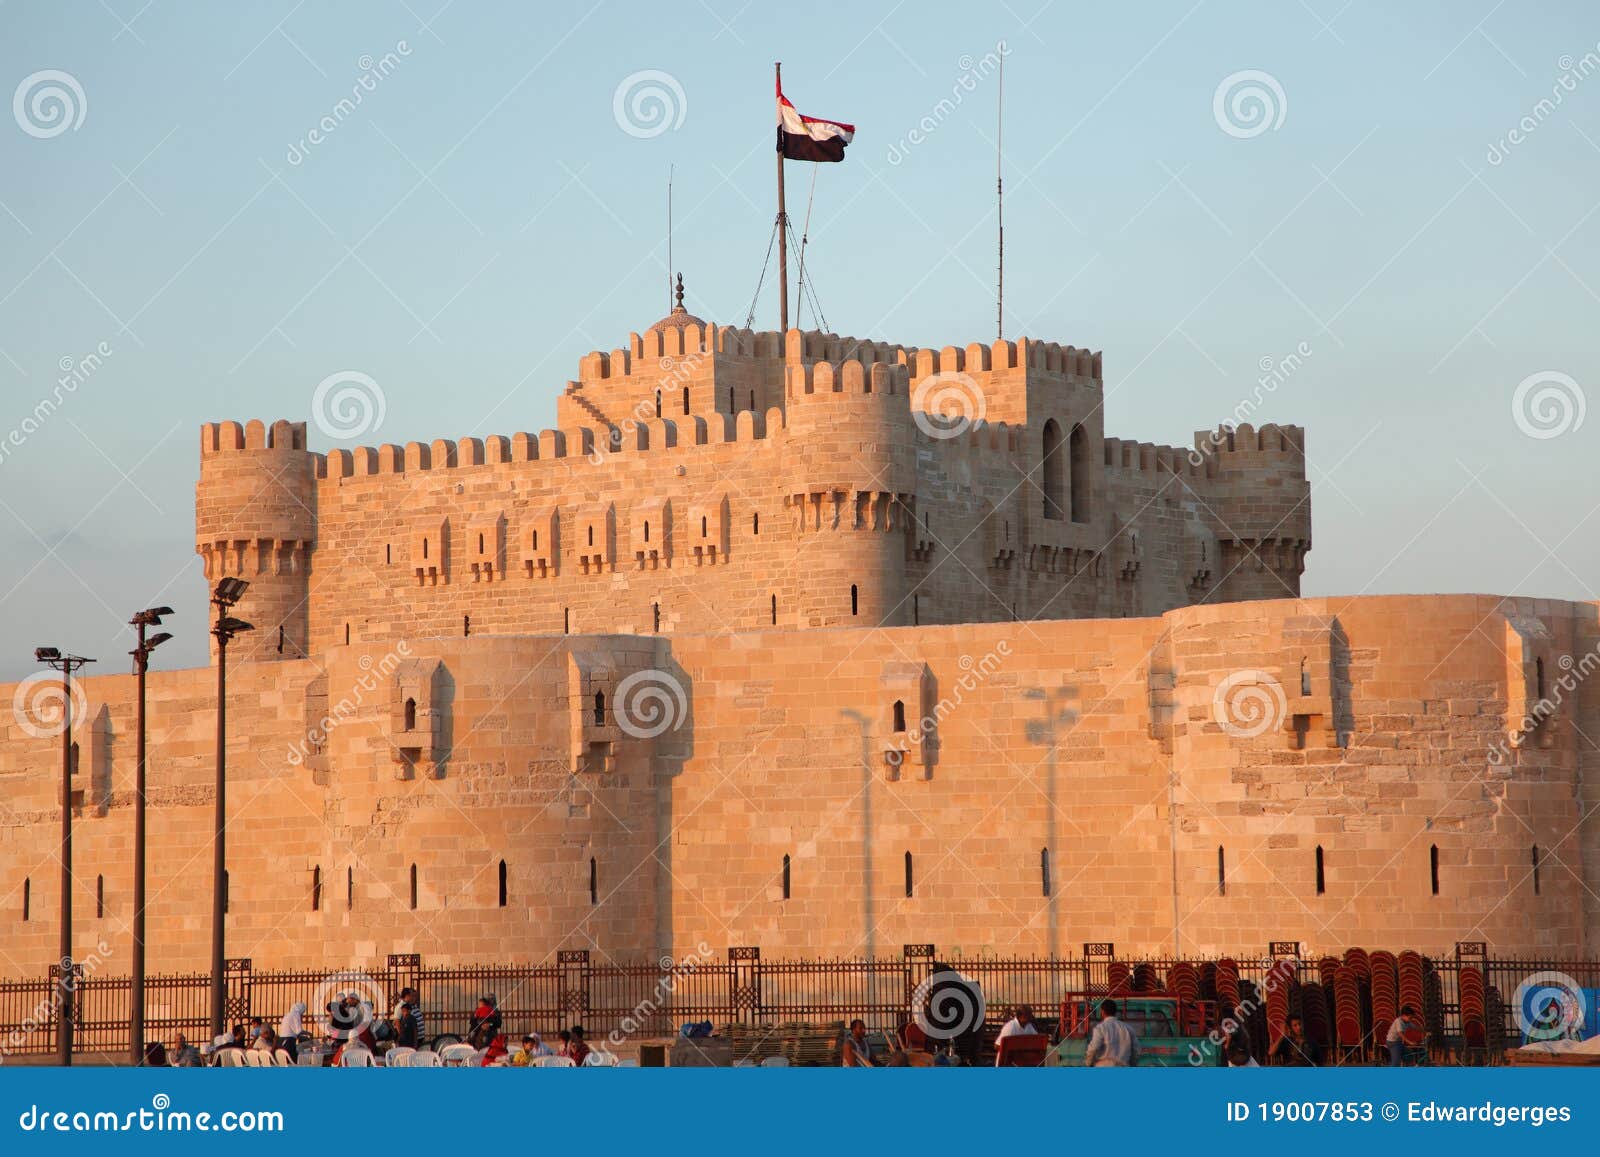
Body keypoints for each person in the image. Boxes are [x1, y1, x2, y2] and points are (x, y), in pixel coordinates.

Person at [1084, 1000, 1139, 1067]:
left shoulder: (1100, 1028)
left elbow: (1093, 1049)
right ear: (1115, 1012)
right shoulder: (1128, 1028)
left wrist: (1088, 1064)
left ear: (1102, 1012)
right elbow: (1135, 1050)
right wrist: (1132, 1065)